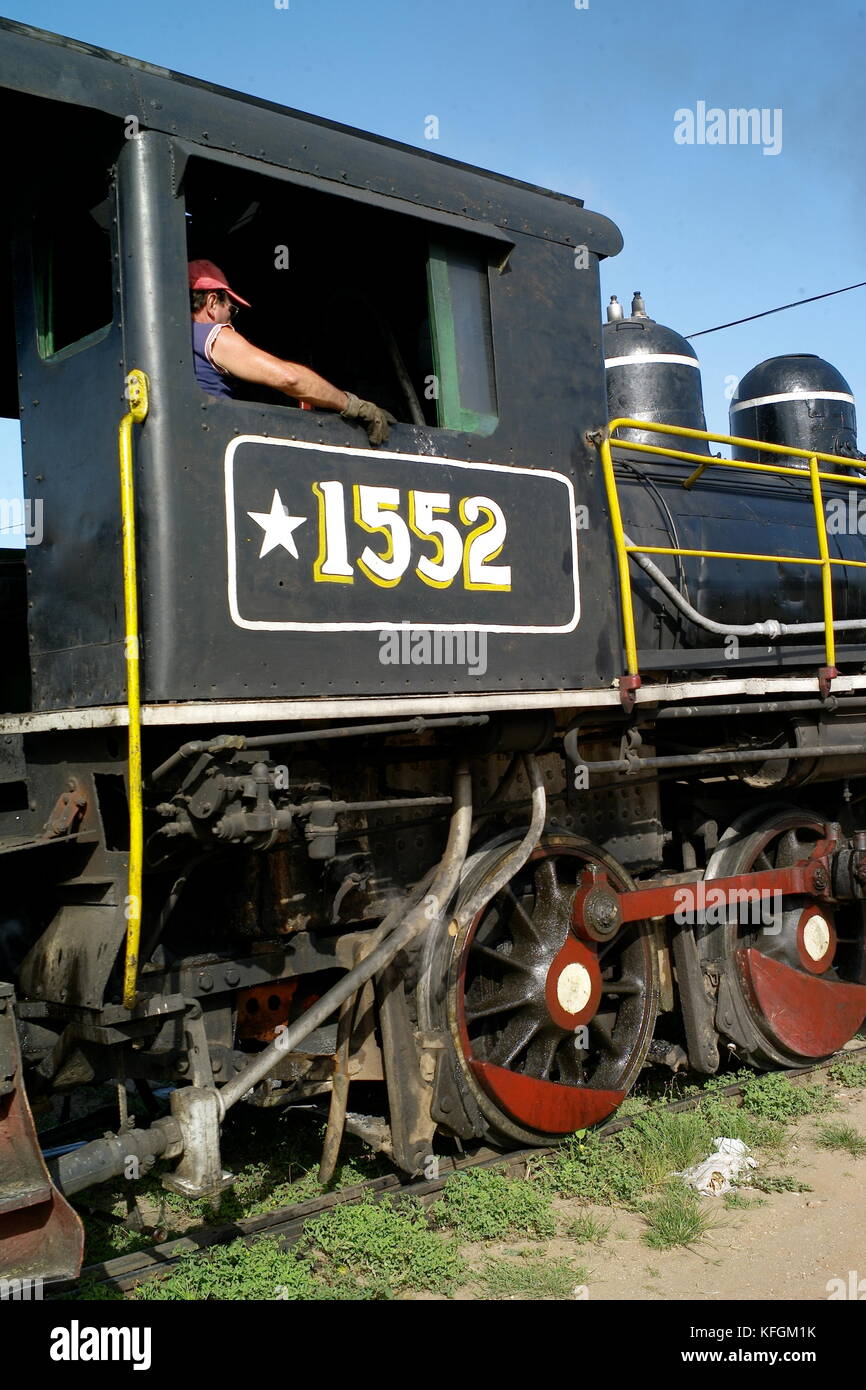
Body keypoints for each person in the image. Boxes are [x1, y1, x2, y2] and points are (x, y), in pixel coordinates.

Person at [188, 259, 395, 446]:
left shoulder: (180, 340)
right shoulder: (210, 334)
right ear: (212, 302)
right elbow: (289, 378)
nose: (231, 319)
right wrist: (353, 405)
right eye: (230, 310)